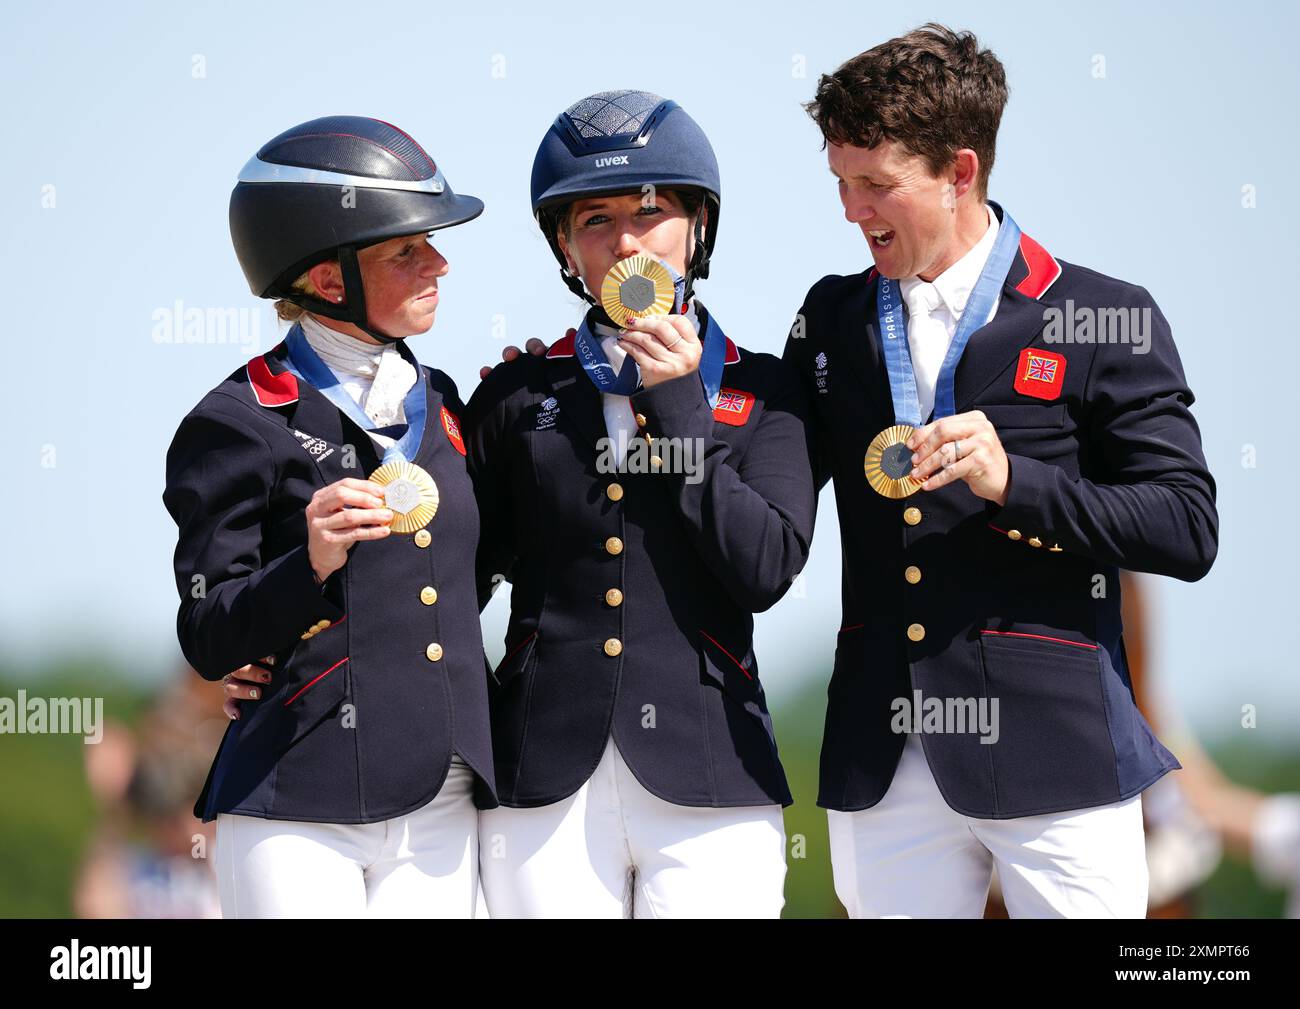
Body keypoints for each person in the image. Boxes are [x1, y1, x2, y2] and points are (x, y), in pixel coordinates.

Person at [782, 25, 1219, 918]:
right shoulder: (830, 318)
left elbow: (1185, 526)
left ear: (960, 171)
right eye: (840, 182)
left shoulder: (1104, 314)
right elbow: (763, 461)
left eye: (876, 185)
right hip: (880, 751)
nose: (851, 210)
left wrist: (1014, 480)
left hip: (1059, 753)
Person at [465, 90, 816, 917]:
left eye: (652, 213)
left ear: (698, 226)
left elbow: (764, 566)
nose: (626, 240)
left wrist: (682, 403)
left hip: (712, 772)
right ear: (565, 245)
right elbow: (452, 578)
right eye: (595, 220)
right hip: (541, 781)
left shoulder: (770, 392)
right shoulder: (516, 395)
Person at [163, 116, 497, 917]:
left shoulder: (449, 402)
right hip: (298, 794)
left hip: (442, 796)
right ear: (327, 278)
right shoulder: (237, 419)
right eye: (406, 251)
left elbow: (465, 578)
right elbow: (209, 631)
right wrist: (305, 567)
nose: (439, 262)